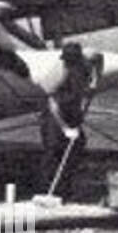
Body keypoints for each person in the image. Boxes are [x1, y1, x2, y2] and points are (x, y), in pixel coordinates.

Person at [38, 42, 102, 198]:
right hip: (54, 116)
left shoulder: (85, 64)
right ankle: (48, 190)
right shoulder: (60, 73)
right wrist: (65, 128)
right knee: (54, 151)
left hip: (73, 111)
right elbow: (52, 104)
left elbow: (99, 57)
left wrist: (95, 80)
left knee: (77, 146)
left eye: (72, 60)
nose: (69, 63)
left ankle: (66, 189)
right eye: (67, 60)